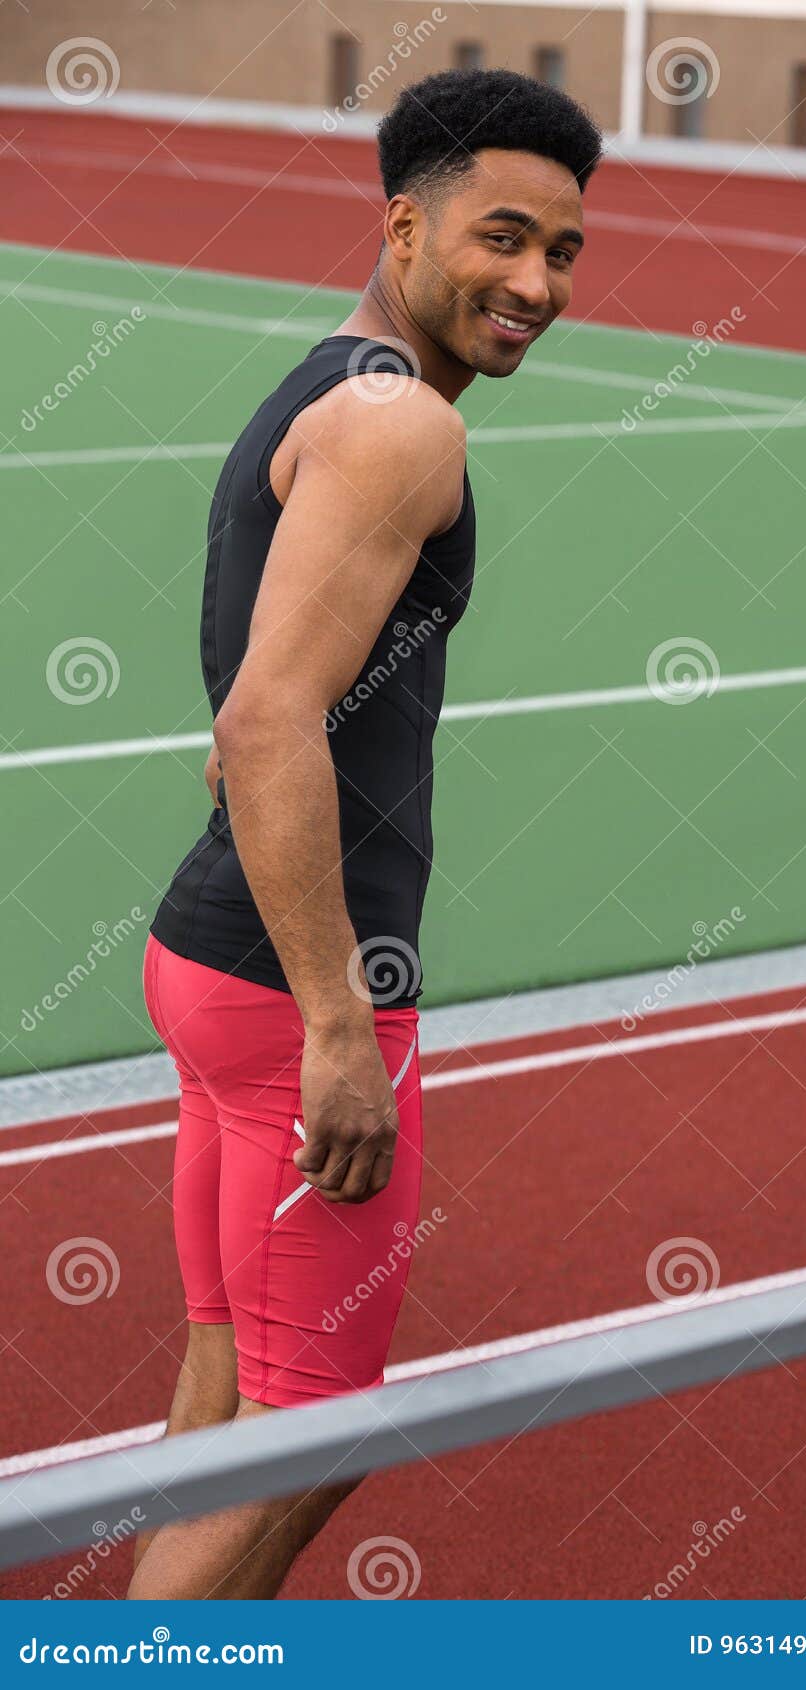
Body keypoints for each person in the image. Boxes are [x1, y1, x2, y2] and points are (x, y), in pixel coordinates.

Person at [128, 67, 601, 1600]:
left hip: (214, 963)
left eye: (566, 252)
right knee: (315, 1434)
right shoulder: (400, 429)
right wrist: (341, 1017)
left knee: (229, 1391)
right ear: (406, 224)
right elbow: (265, 726)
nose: (534, 282)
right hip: (294, 994)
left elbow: (248, 718)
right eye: (502, 238)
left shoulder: (328, 384)